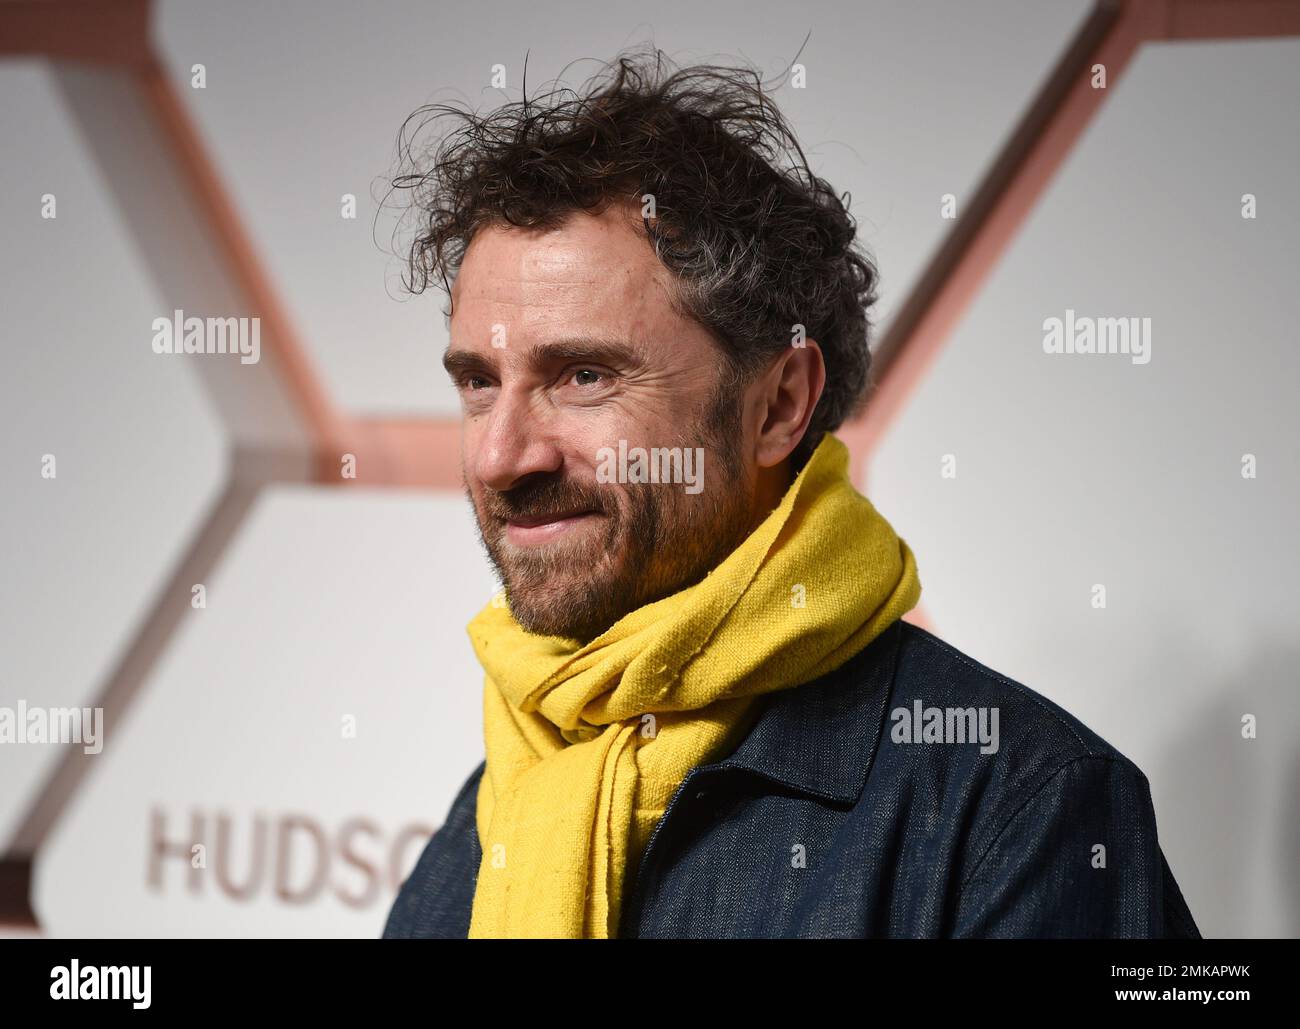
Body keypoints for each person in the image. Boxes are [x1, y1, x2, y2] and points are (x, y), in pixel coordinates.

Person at [380, 48, 1200, 939]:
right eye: (477, 382)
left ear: (777, 404)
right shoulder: (495, 812)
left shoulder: (1022, 811)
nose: (502, 456)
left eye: (582, 375)